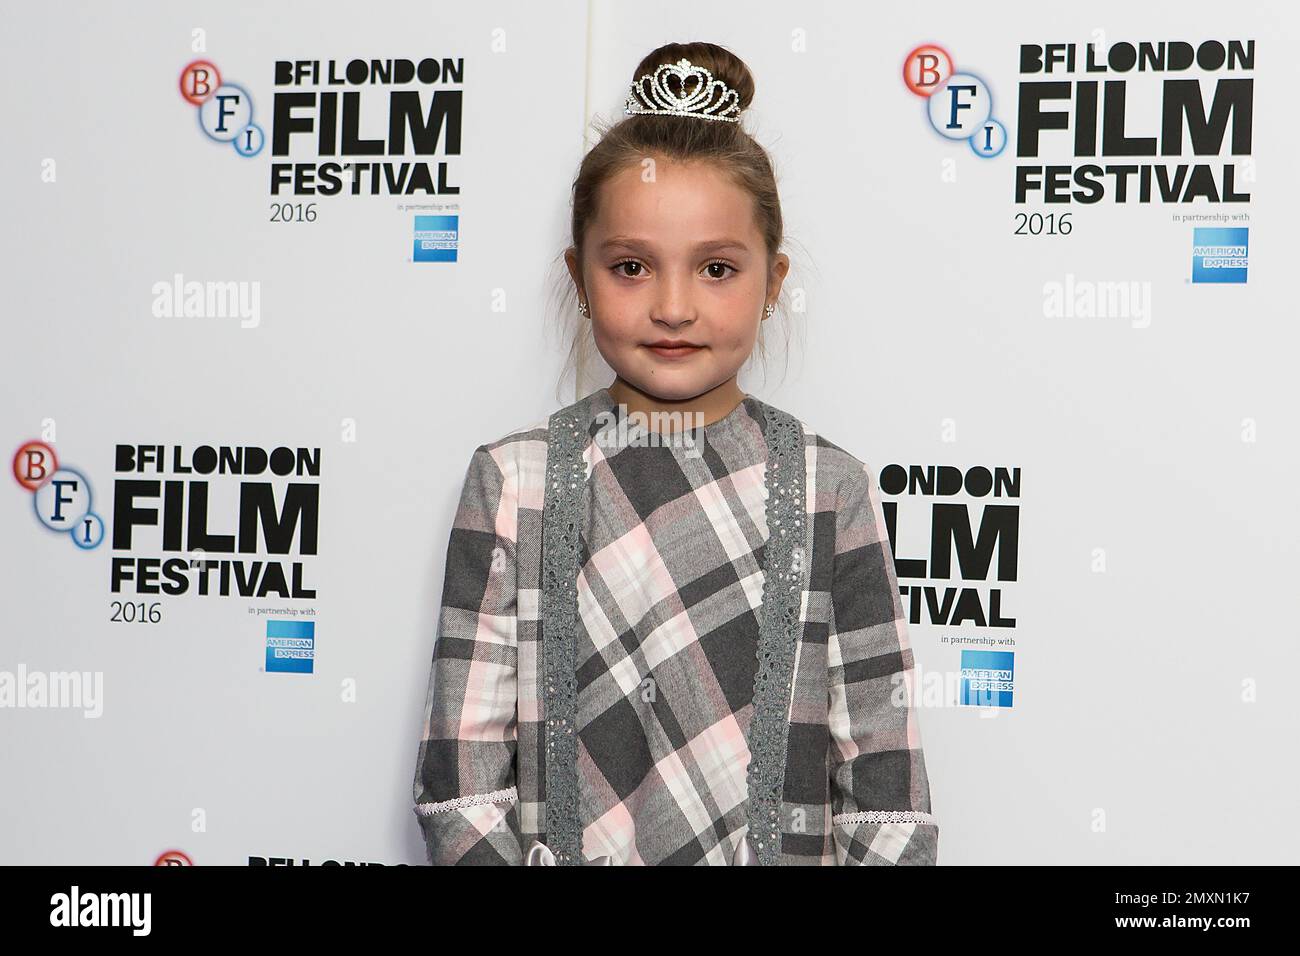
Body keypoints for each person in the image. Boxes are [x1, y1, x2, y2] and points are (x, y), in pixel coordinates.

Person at [411, 41, 938, 865]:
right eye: (630, 266)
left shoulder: (830, 487)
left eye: (717, 268)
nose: (673, 305)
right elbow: (462, 786)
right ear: (578, 278)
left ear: (773, 282)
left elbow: (888, 790)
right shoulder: (514, 483)